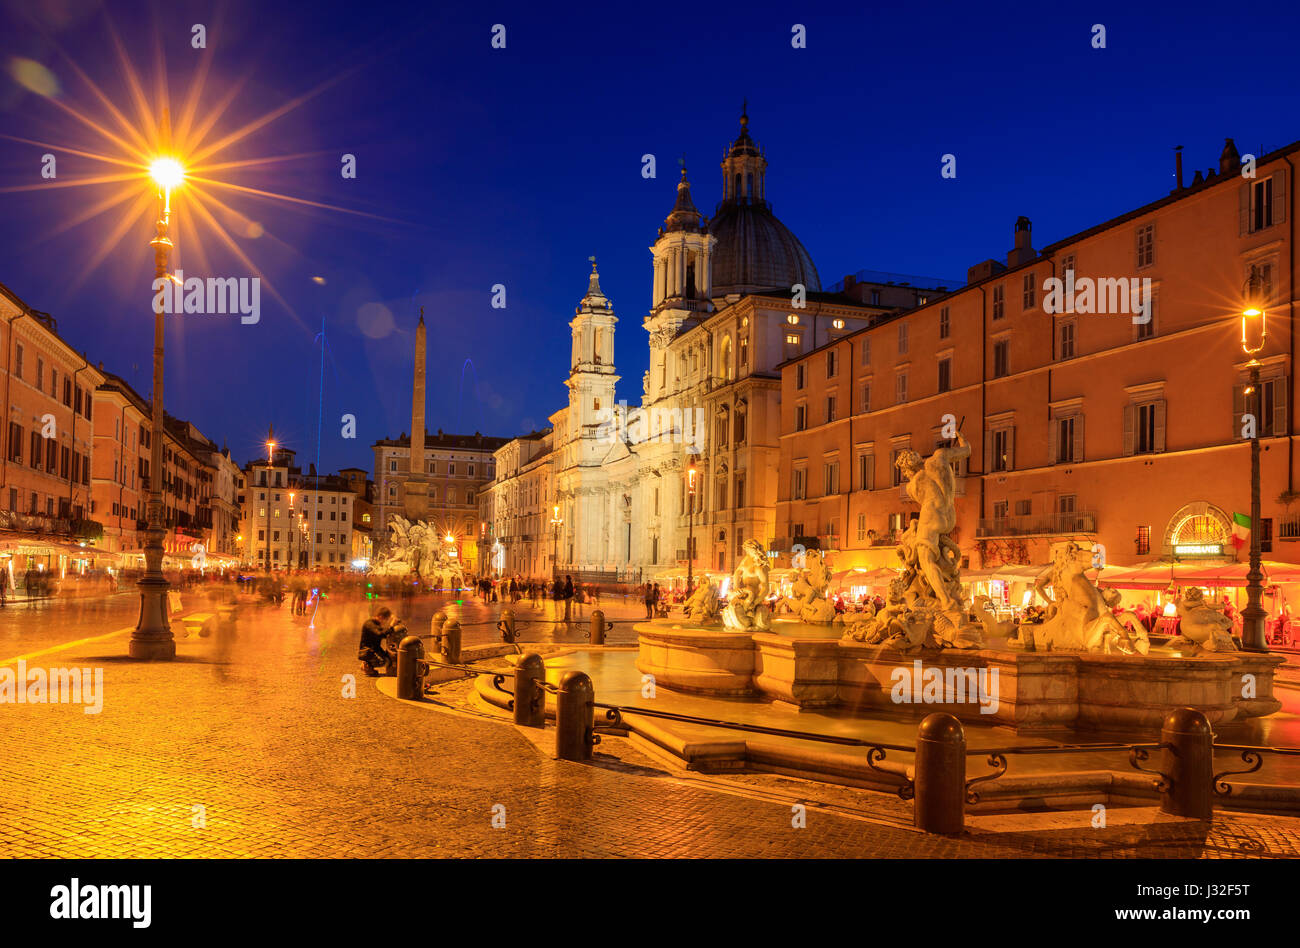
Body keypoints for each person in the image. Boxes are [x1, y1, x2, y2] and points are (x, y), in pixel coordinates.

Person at [358, 607, 396, 677]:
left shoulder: (376, 624)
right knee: (385, 662)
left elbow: (384, 633)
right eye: (386, 619)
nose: (386, 621)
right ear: (380, 617)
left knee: (388, 660)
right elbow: (380, 634)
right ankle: (366, 665)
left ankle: (369, 666)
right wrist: (391, 626)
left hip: (374, 650)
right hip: (367, 651)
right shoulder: (369, 624)